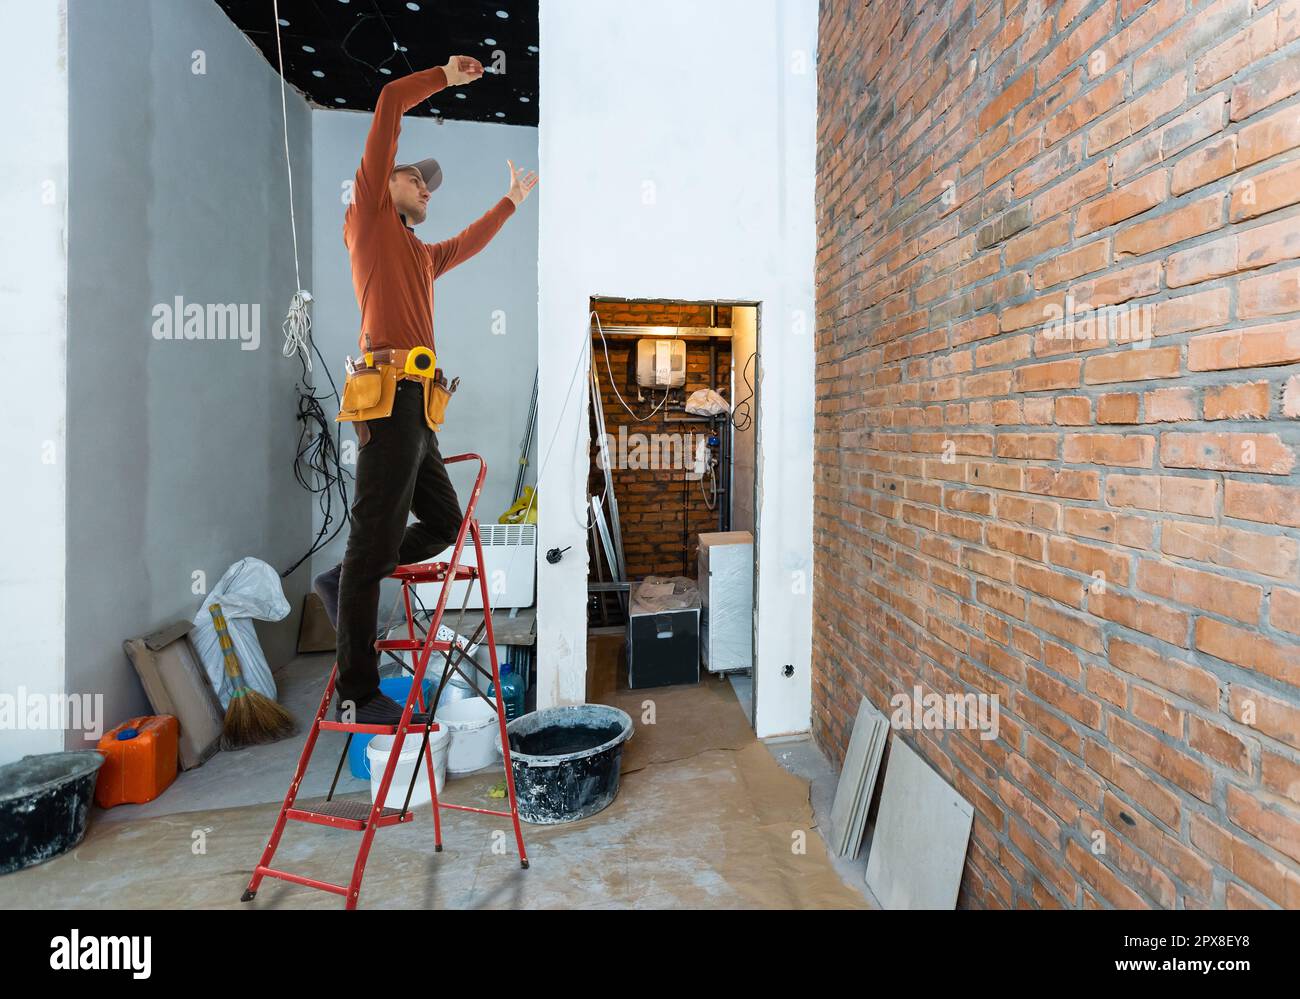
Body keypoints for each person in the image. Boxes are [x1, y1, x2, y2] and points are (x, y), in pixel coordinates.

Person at [312, 54, 538, 726]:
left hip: (419, 406)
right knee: (369, 540)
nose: (429, 189)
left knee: (442, 521)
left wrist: (512, 202)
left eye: (431, 186)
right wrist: (445, 75)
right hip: (385, 398)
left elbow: (466, 243)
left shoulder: (419, 252)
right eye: (420, 180)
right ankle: (356, 688)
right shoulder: (370, 220)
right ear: (389, 183)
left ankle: (355, 571)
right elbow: (386, 104)